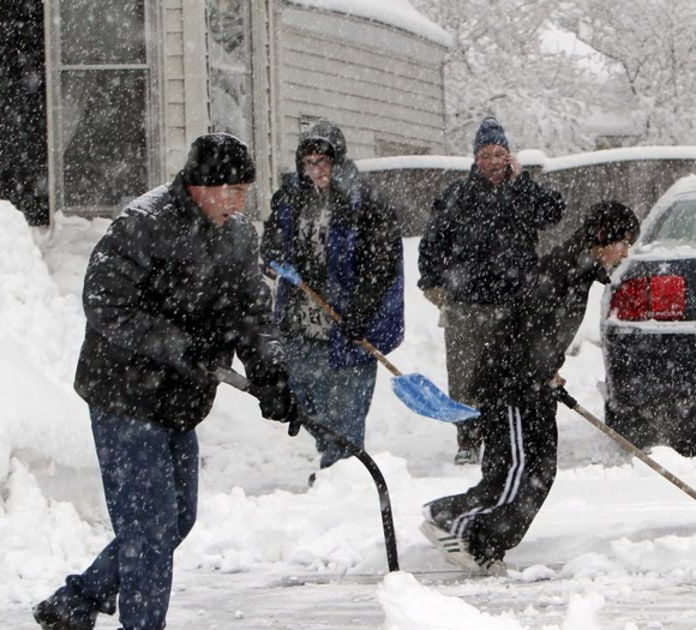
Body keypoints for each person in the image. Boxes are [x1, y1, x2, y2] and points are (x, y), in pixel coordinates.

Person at [33, 133, 295, 630]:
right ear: (202, 184)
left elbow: (252, 311)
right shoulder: (144, 223)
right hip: (124, 393)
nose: (242, 203)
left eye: (246, 192)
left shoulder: (237, 234)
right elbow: (105, 303)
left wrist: (272, 373)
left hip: (180, 398)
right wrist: (178, 345)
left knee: (176, 518)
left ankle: (77, 601)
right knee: (149, 530)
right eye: (234, 191)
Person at [420, 200, 640, 575]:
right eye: (622, 241)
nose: (625, 252)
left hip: (528, 385)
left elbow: (541, 335)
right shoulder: (562, 272)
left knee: (537, 470)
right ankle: (454, 522)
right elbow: (524, 334)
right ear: (602, 236)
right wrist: (539, 371)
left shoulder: (577, 272)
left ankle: (478, 539)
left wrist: (549, 370)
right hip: (511, 388)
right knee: (518, 470)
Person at [418, 116, 565, 465]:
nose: (492, 162)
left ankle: (508, 436)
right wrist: (435, 285)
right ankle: (468, 438)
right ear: (475, 158)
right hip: (467, 306)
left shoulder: (523, 193)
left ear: (509, 156)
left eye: (499, 154)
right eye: (485, 154)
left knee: (512, 375)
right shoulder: (456, 196)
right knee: (466, 377)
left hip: (515, 307)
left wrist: (523, 182)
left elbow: (554, 213)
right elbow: (431, 245)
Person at [262, 120, 404, 477]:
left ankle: (342, 477)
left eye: (323, 162)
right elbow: (272, 239)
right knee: (309, 407)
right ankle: (334, 467)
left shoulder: (365, 201)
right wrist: (273, 249)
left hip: (345, 330)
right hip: (300, 325)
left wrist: (362, 311)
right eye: (309, 162)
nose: (316, 170)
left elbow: (381, 265)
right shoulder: (291, 197)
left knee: (345, 414)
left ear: (337, 160)